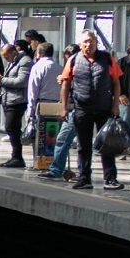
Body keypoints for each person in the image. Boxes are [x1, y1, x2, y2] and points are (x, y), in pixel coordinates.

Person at [60, 32, 124, 191]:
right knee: (83, 145)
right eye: (86, 42)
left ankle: (110, 179)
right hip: (82, 108)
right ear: (80, 44)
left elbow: (116, 83)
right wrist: (63, 107)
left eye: (92, 41)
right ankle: (84, 178)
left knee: (107, 144)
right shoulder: (73, 60)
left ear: (97, 43)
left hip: (104, 108)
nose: (89, 45)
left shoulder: (107, 58)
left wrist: (115, 105)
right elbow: (65, 84)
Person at [37, 44, 80, 182]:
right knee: (80, 142)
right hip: (75, 108)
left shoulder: (79, 68)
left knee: (63, 139)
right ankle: (82, 172)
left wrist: (66, 81)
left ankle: (56, 169)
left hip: (76, 109)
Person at [0, 43, 32, 168]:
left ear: (13, 52)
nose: (5, 58)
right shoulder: (12, 62)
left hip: (18, 100)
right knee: (12, 128)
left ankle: (17, 157)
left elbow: (22, 81)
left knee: (11, 127)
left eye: (6, 56)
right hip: (8, 99)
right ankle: (15, 156)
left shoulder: (24, 61)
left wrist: (2, 80)